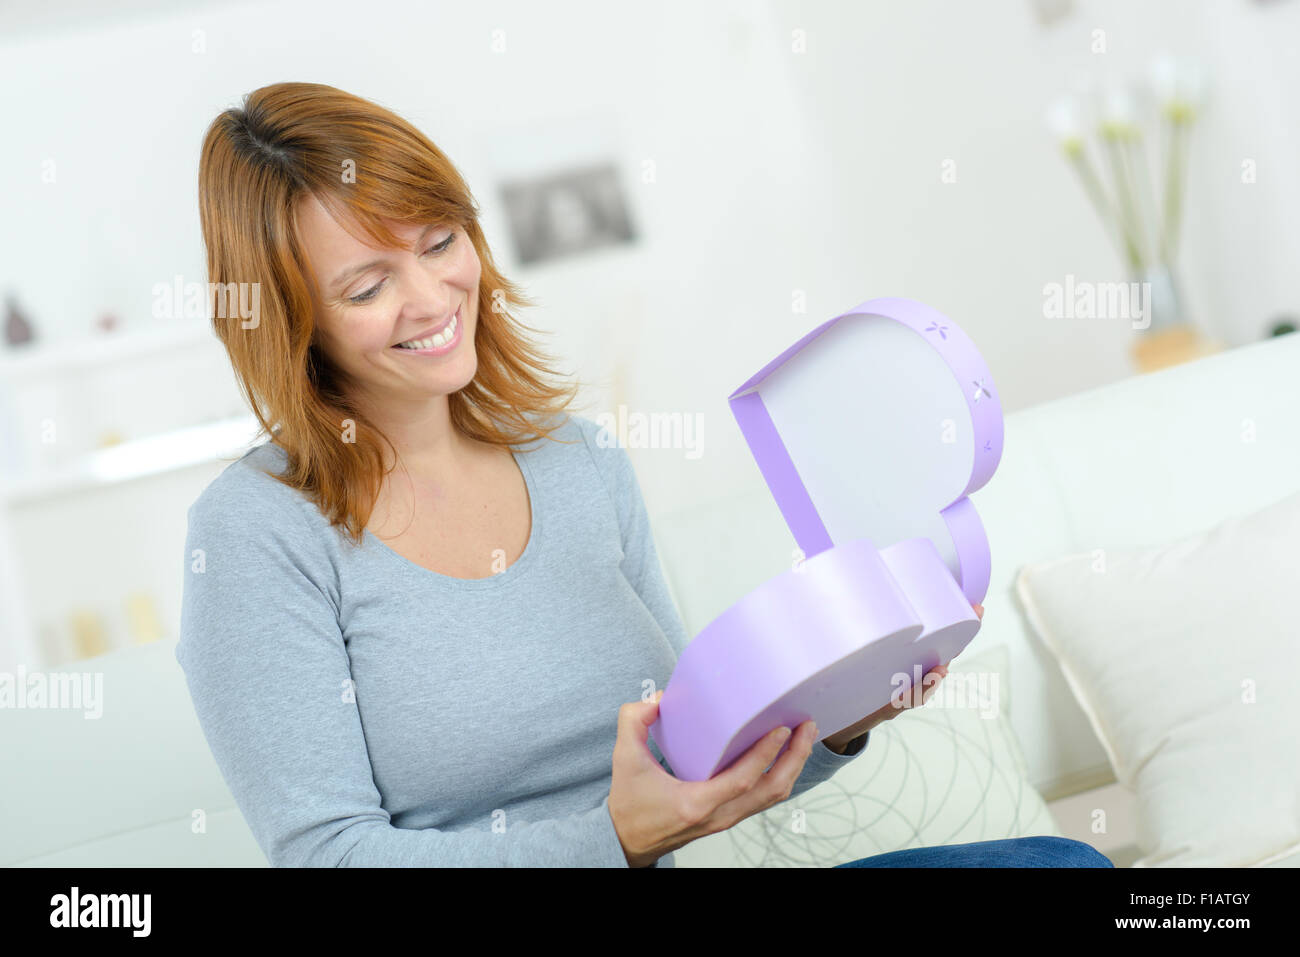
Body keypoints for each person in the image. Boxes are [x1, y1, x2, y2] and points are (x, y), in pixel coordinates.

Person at [178, 81, 1110, 869]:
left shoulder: (577, 459)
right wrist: (610, 837)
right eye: (367, 286)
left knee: (1053, 864)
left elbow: (684, 759)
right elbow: (327, 855)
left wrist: (841, 713)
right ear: (289, 321)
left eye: (437, 244)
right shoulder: (257, 531)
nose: (430, 299)